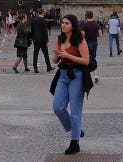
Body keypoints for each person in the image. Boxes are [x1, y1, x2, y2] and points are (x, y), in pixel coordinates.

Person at [52, 15, 91, 155]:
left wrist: (68, 56)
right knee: (58, 107)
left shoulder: (79, 40)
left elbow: (86, 60)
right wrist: (57, 55)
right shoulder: (59, 39)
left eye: (66, 23)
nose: (63, 25)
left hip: (77, 76)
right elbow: (55, 60)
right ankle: (76, 129)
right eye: (62, 23)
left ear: (73, 26)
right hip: (63, 75)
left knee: (75, 110)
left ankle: (75, 143)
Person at [81, 11, 102, 83]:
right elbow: (100, 34)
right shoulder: (96, 24)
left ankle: (87, 76)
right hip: (94, 43)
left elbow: (82, 35)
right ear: (92, 16)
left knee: (87, 59)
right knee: (93, 58)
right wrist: (94, 35)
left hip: (87, 43)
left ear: (86, 16)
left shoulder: (85, 24)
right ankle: (95, 76)